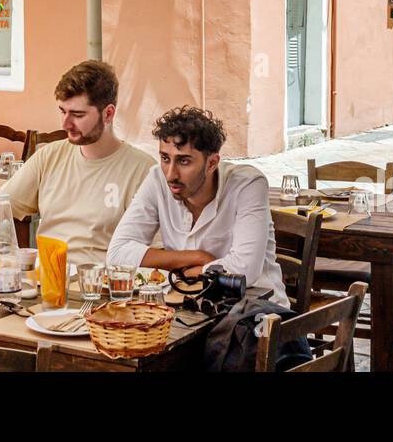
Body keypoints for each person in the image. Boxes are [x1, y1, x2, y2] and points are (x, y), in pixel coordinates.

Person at [0, 60, 155, 267]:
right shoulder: (50, 157)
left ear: (108, 113)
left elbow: (152, 252)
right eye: (63, 111)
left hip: (102, 293)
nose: (65, 124)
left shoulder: (143, 170)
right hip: (44, 285)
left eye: (78, 115)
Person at [106, 105, 288, 307]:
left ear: (212, 163)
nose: (170, 174)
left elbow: (246, 269)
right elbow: (117, 255)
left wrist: (195, 271)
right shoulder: (157, 178)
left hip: (257, 313)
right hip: (190, 310)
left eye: (183, 161)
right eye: (165, 158)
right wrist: (198, 257)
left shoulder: (248, 184)